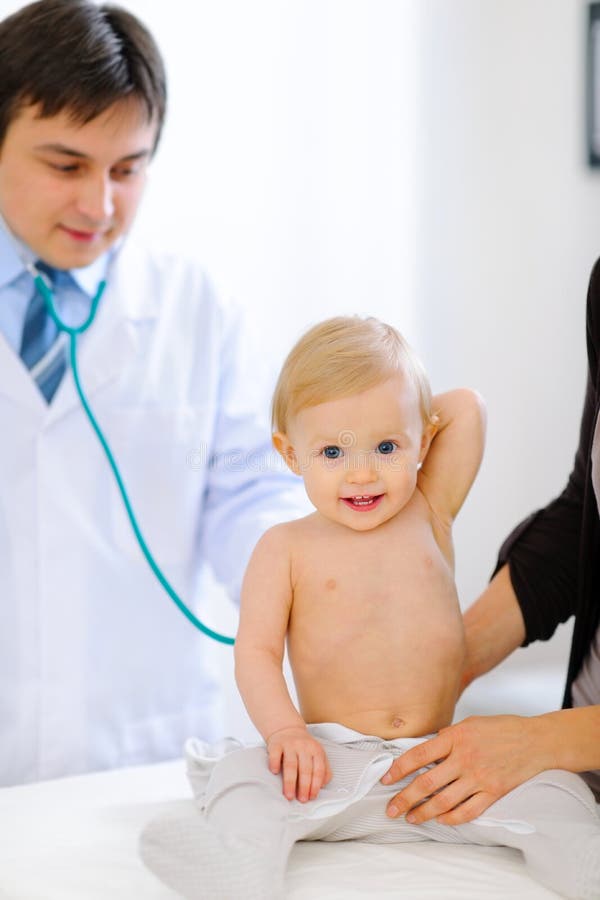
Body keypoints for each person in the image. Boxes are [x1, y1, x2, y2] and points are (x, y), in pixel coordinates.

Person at [141, 316, 600, 900]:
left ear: (424, 442)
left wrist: (404, 394)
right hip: (327, 761)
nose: (362, 473)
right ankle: (241, 868)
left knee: (561, 792)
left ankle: (588, 869)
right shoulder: (284, 548)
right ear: (290, 454)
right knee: (242, 777)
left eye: (386, 446)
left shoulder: (429, 511)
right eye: (331, 451)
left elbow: (467, 408)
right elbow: (254, 652)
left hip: (437, 763)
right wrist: (287, 734)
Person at [0, 0, 305, 786]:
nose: (99, 206)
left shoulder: (195, 310)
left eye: (128, 169)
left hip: (138, 753)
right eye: (66, 165)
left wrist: (319, 593)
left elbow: (248, 496)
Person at [382, 258, 600, 829]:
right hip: (582, 778)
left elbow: (459, 411)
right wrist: (451, 664)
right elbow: (586, 516)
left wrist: (542, 741)